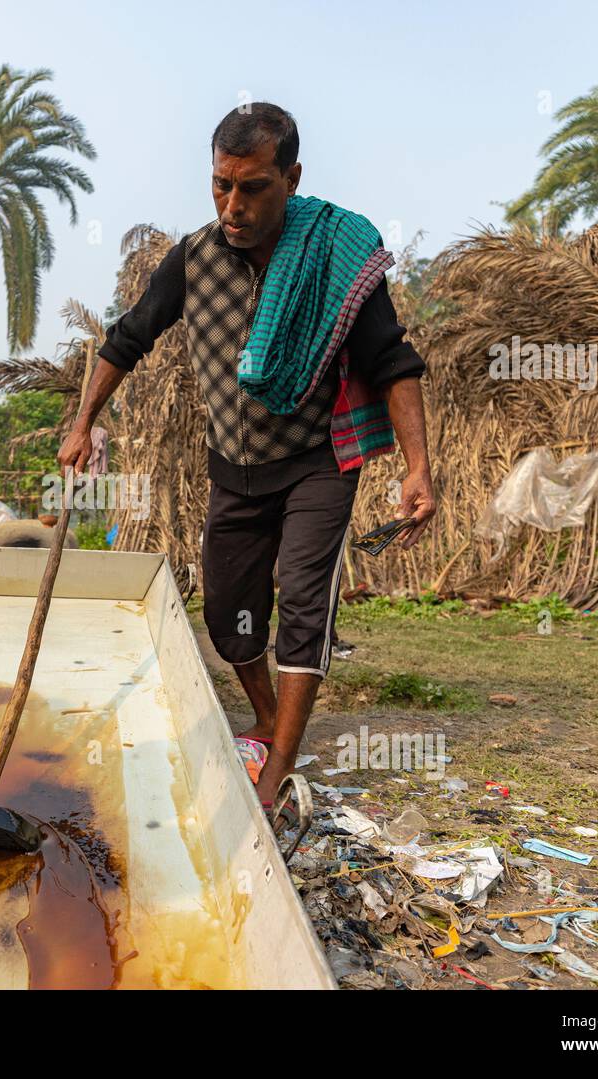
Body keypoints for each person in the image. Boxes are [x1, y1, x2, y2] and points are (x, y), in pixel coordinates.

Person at [58, 104, 436, 807]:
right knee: (229, 612)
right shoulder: (195, 259)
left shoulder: (336, 253)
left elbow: (392, 359)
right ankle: (264, 714)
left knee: (301, 595)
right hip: (232, 468)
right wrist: (84, 421)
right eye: (221, 185)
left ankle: (281, 759)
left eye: (254, 187)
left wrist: (418, 466)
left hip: (315, 460)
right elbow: (128, 336)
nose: (234, 205)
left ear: (291, 178)